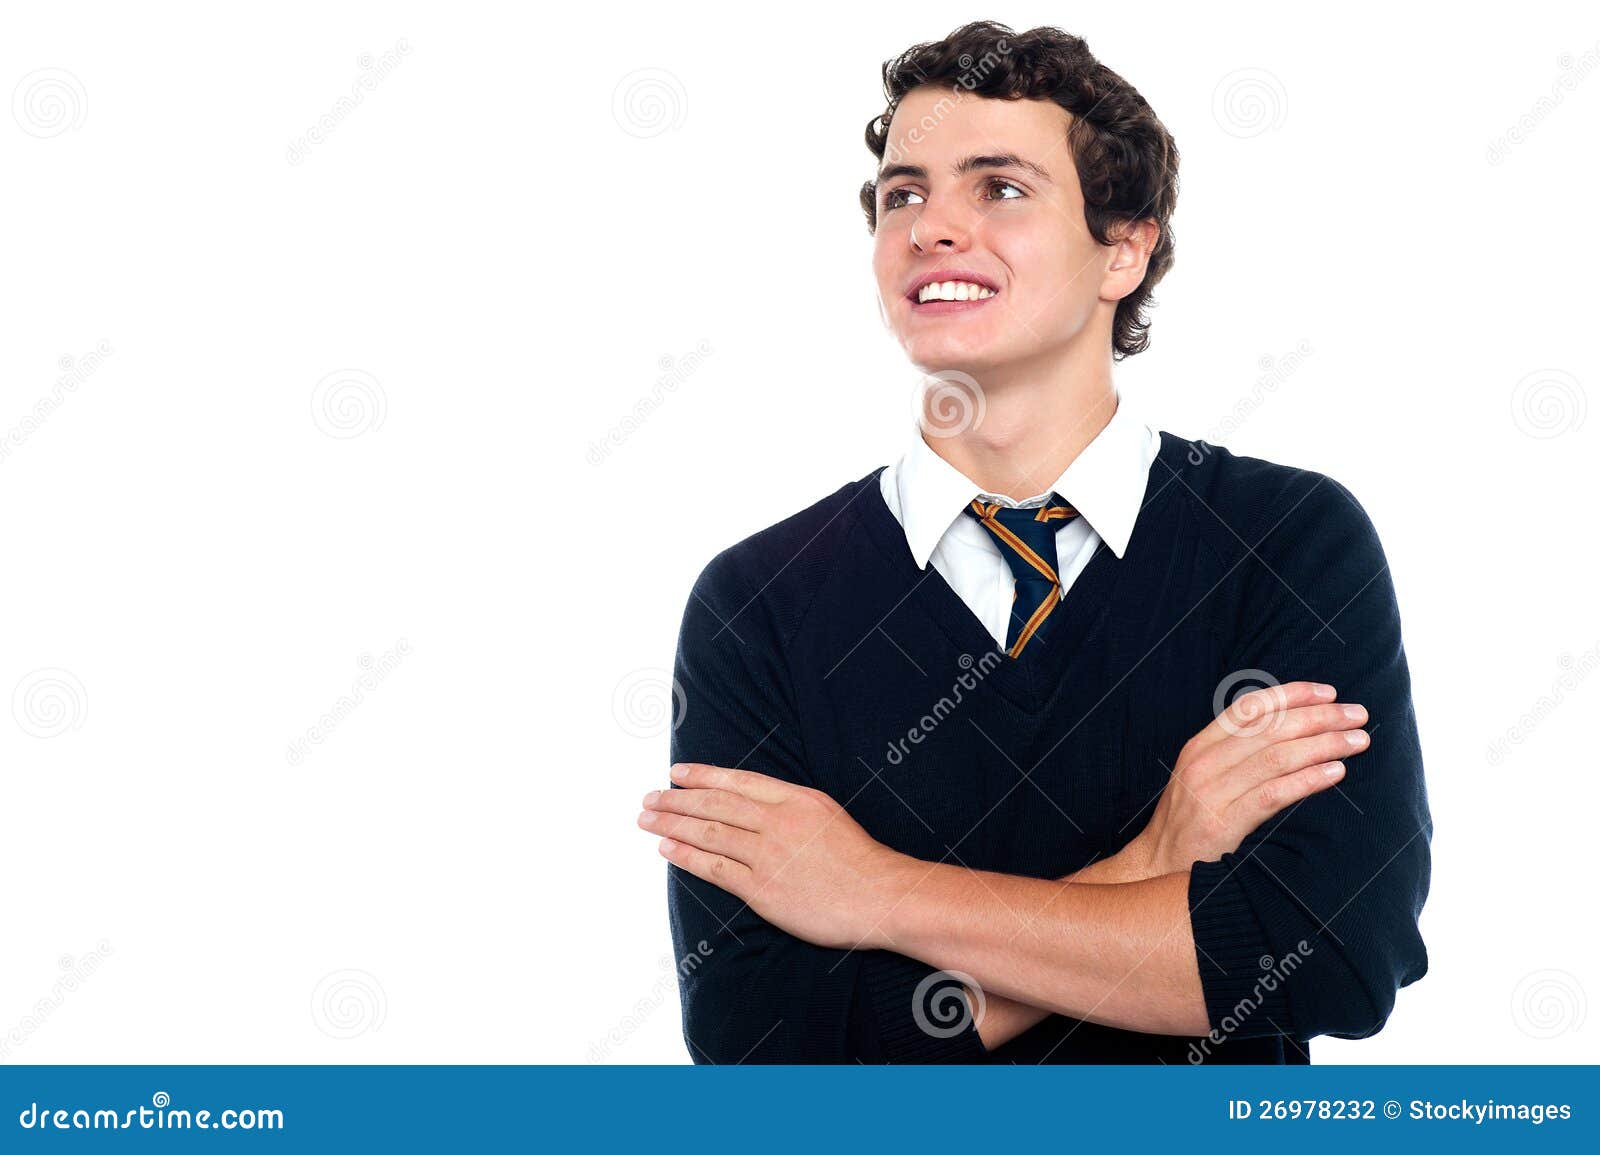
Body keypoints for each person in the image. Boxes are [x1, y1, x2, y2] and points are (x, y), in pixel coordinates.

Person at [636, 20, 1431, 1064]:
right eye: (902, 194)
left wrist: (874, 893)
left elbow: (1330, 954)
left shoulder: (1283, 541)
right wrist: (1153, 863)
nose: (931, 228)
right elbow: (769, 1053)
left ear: (1123, 248)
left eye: (998, 188)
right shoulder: (761, 601)